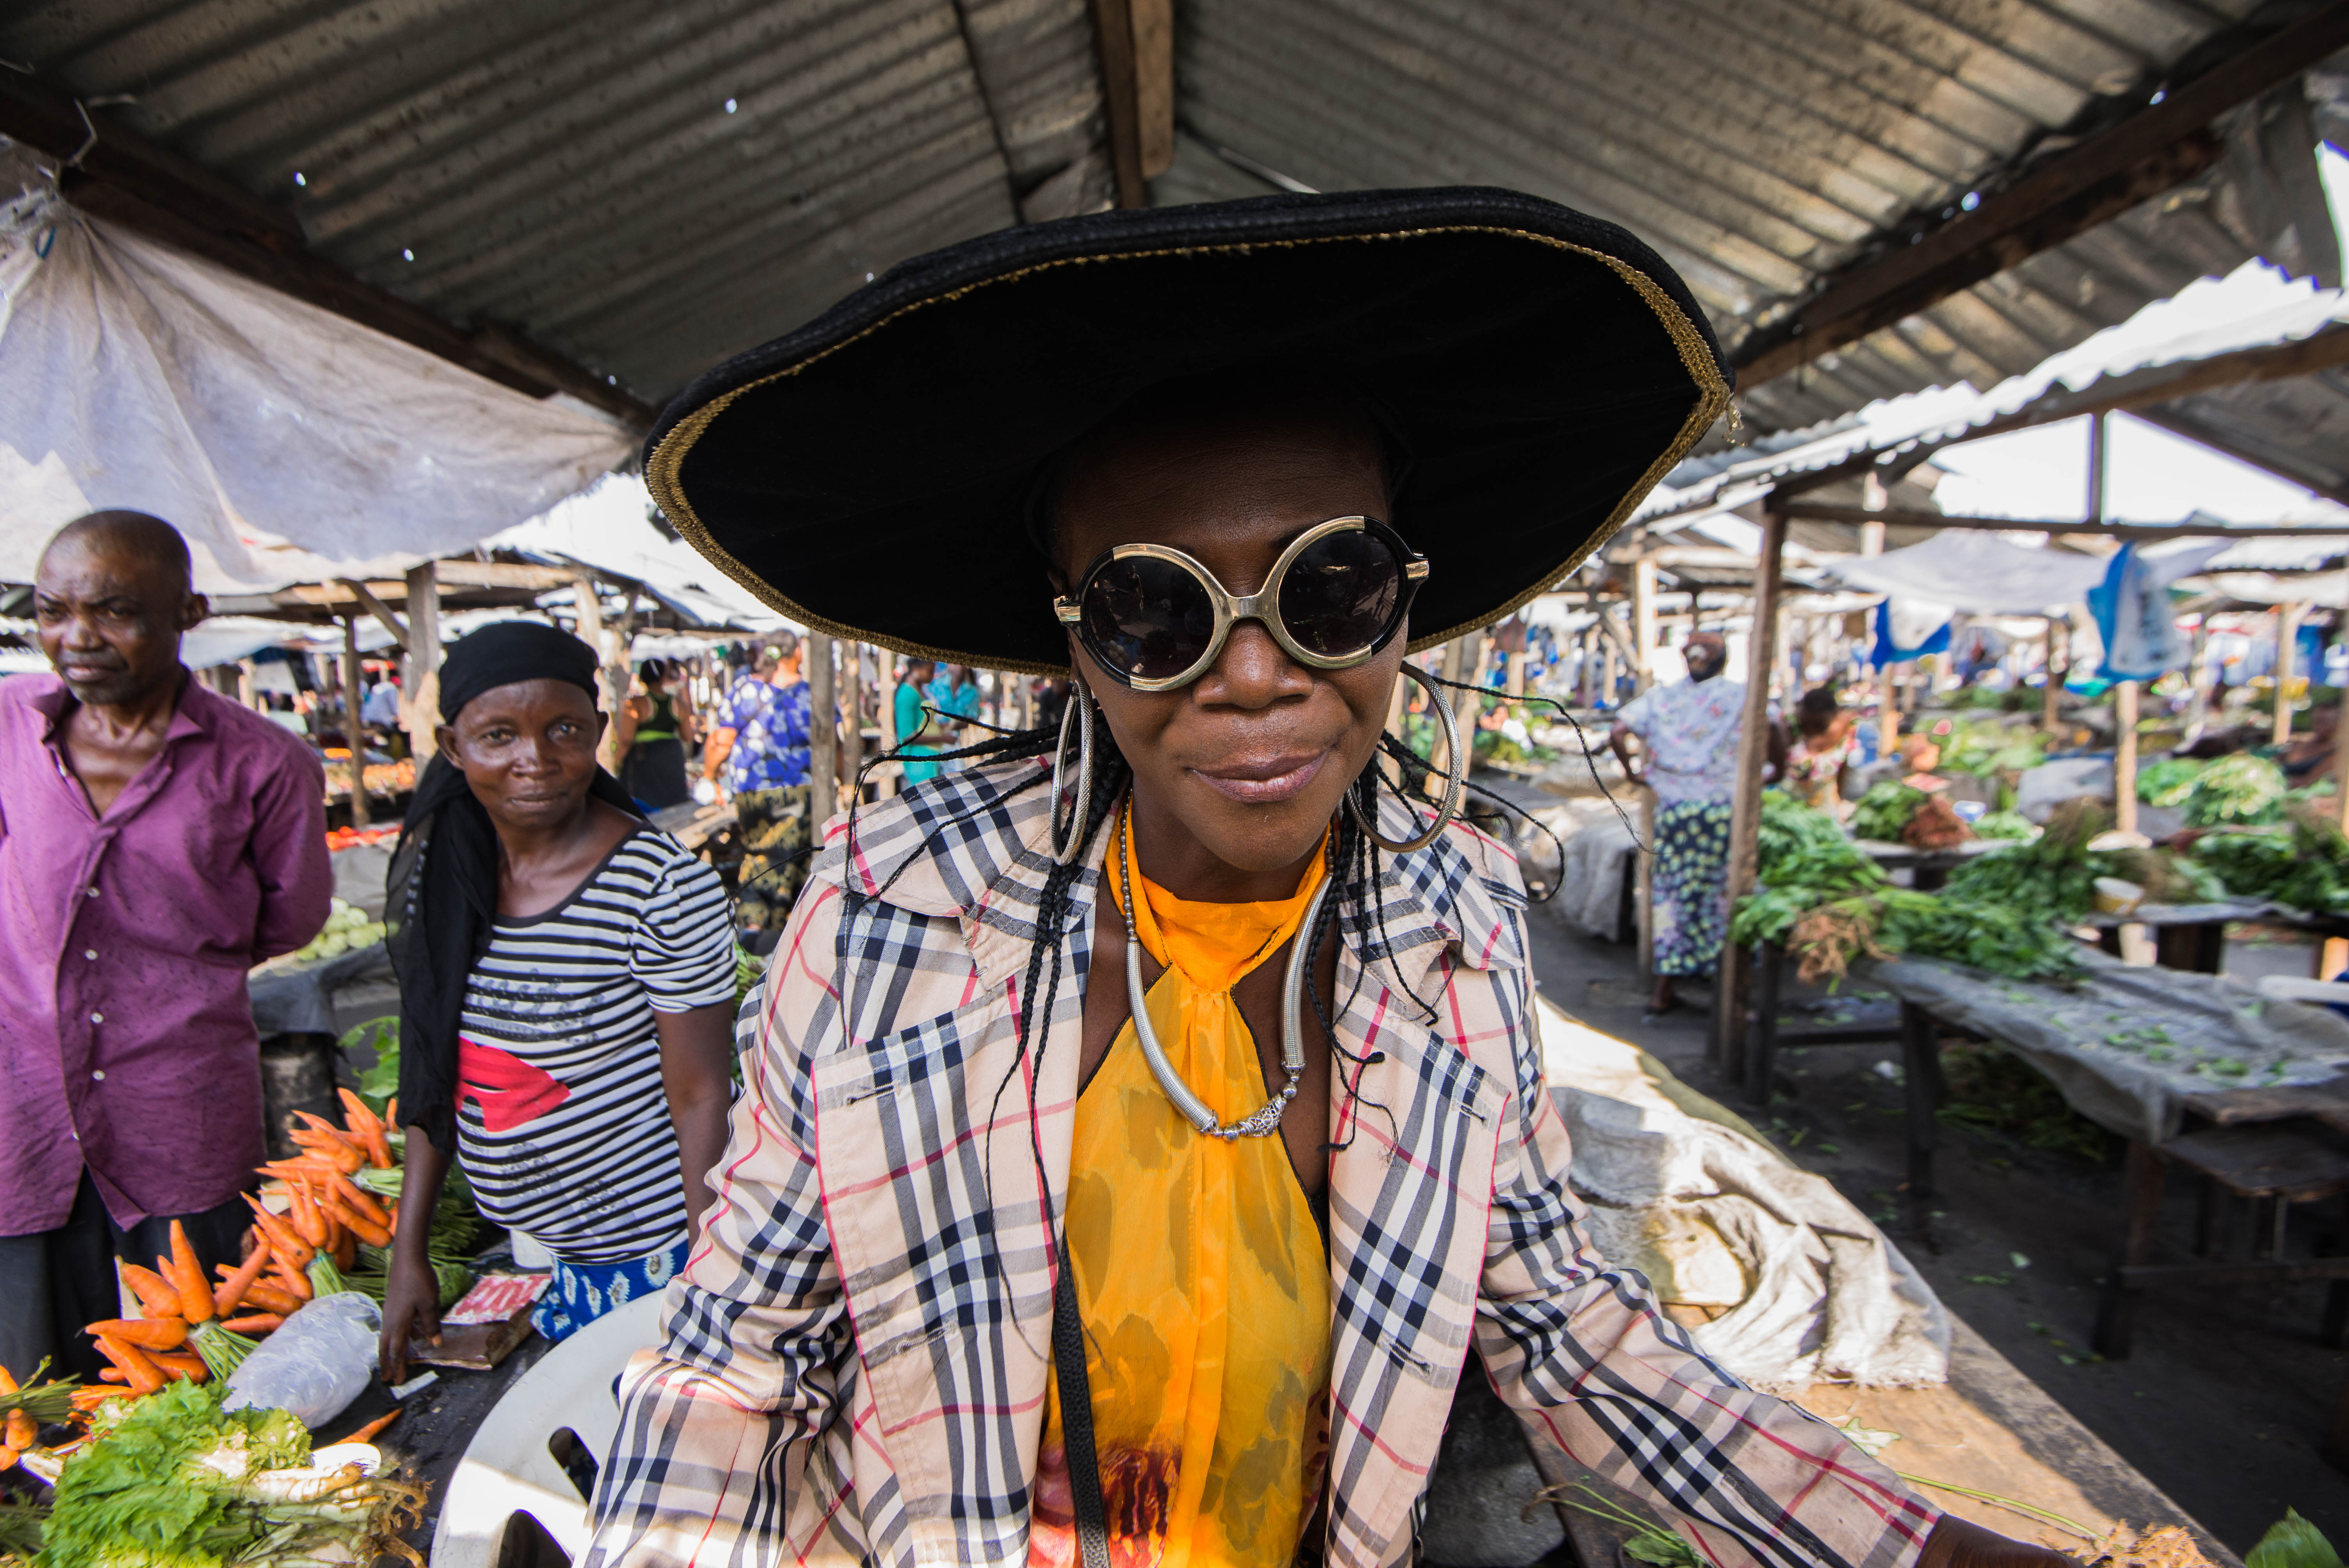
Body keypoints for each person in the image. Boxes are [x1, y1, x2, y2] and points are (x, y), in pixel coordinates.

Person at [585, 192, 2062, 1568]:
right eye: (1154, 608)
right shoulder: (889, 913)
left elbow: (1555, 1323)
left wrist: (1909, 1546)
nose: (1252, 678)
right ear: (1073, 639)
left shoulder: (1449, 928)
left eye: (1325, 587)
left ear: (1399, 601)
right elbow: (733, 1353)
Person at [0, 512, 331, 1383]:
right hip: (24, 1098)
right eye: (52, 609)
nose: (77, 637)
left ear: (189, 612)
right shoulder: (7, 732)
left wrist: (169, 968)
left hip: (176, 1095)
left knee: (207, 1350)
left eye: (113, 610)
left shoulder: (264, 763)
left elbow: (289, 920)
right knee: (34, 1380)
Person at [379, 622, 736, 1372]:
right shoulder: (451, 872)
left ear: (602, 732)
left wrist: (715, 1278)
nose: (533, 761)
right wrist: (406, 1251)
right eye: (498, 736)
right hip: (553, 1261)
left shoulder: (659, 886)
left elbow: (703, 1094)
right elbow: (434, 1067)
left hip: (656, 1257)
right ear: (453, 747)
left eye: (564, 729)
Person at [1610, 631, 1785, 1015]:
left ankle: (1664, 988)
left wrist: (1634, 774)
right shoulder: (1744, 695)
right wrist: (1775, 772)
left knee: (1673, 893)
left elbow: (1618, 731)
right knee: (1726, 892)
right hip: (1727, 812)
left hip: (1675, 812)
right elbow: (1776, 730)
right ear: (1725, 658)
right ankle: (1728, 986)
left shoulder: (1663, 697)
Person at [703, 636, 816, 931]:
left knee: (762, 858)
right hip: (802, 792)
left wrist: (709, 777)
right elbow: (836, 748)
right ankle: (783, 935)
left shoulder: (746, 690)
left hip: (753, 793)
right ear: (798, 653)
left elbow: (721, 741)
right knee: (796, 863)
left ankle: (757, 935)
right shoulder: (811, 693)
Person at [615, 657, 696, 810]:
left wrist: (617, 761)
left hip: (645, 761)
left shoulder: (635, 705)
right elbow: (688, 736)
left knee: (645, 808)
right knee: (672, 808)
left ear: (642, 677)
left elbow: (626, 739)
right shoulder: (678, 705)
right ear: (663, 676)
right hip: (672, 759)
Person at [1785, 684, 1858, 815]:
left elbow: (1842, 777)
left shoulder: (1842, 734)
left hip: (1825, 813)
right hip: (1792, 812)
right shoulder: (1793, 732)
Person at [893, 657, 941, 783]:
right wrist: (943, 738)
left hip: (928, 760)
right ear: (915, 670)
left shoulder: (918, 691)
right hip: (919, 763)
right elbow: (908, 736)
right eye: (930, 671)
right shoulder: (907, 694)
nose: (932, 675)